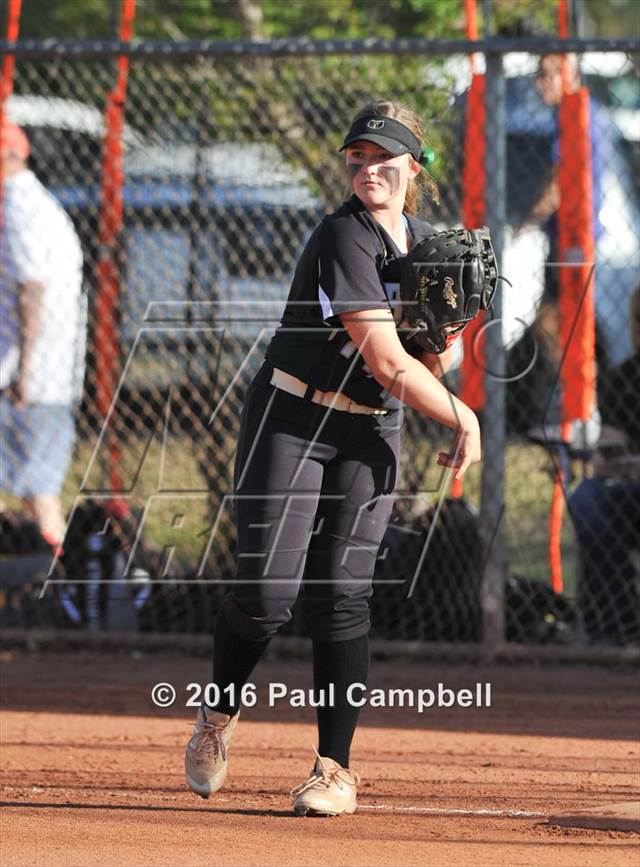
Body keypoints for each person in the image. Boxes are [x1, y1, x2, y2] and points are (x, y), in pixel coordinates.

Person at [184, 100, 482, 816]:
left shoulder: (424, 243)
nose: (369, 167)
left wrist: (444, 335)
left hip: (370, 430)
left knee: (344, 596)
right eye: (358, 155)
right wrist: (463, 416)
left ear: (415, 167)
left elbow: (431, 359)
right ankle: (216, 716)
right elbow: (383, 359)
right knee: (267, 595)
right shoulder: (342, 235)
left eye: (385, 157)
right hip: (294, 416)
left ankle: (334, 769)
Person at [0, 120, 84, 553]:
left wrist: (25, 370)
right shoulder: (31, 203)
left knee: (38, 493)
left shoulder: (21, 208)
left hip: (28, 380)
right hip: (33, 377)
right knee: (34, 492)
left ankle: (59, 587)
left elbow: (31, 290)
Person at [568, 285, 640, 645]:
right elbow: (606, 457)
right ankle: (621, 621)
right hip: (633, 490)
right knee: (586, 496)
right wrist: (608, 460)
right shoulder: (623, 379)